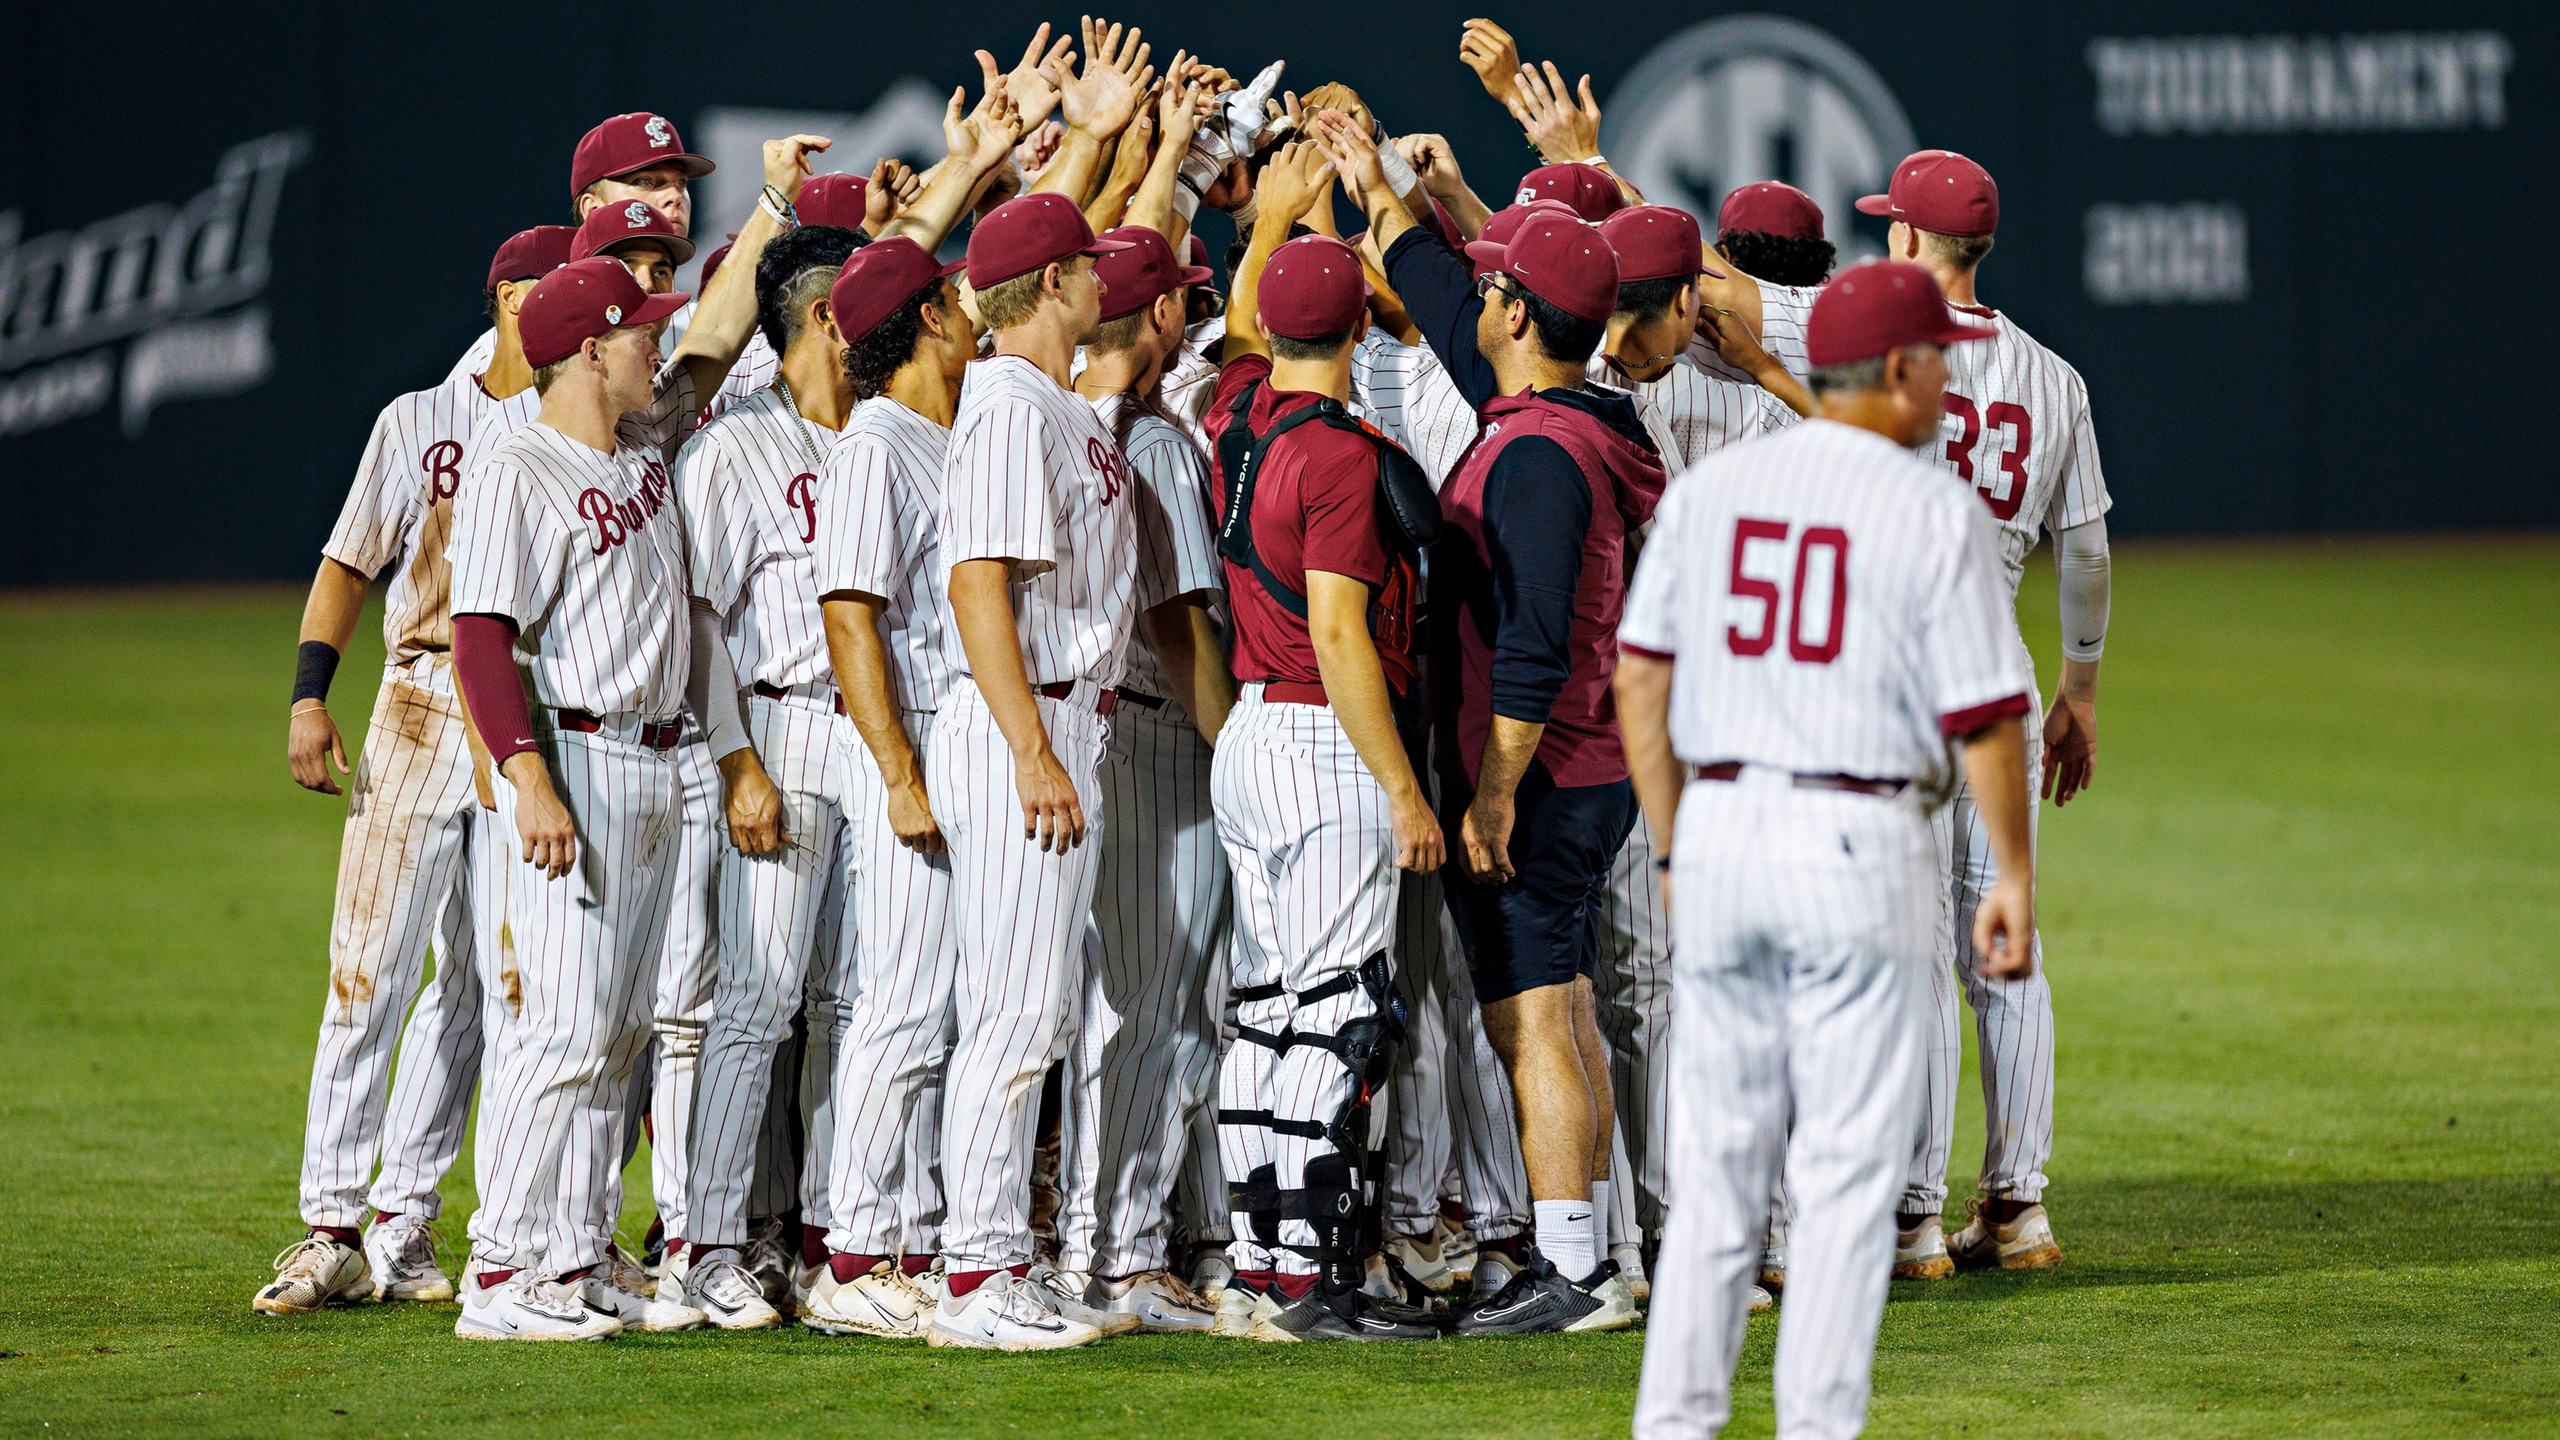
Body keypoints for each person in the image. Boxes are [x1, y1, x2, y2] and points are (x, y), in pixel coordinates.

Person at [1616, 259, 2035, 1439]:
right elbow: (1988, 714)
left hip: (1727, 837)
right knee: (1846, 1182)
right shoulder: (1927, 507)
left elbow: (1642, 675)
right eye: (1938, 361)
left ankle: (1676, 1425)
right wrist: (2009, 870)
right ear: (1898, 372)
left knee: (1714, 1177)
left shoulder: (1717, 492)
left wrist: (1673, 842)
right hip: (1859, 846)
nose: (1948, 381)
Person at [444, 133, 823, 1342]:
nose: (658, 337)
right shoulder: (519, 469)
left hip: (663, 762)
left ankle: (574, 1254)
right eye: (638, 327)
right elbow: (479, 639)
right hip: (581, 759)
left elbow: (710, 337)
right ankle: (503, 1272)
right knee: (560, 1029)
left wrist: (769, 209)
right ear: (590, 346)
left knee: (617, 1032)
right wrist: (524, 778)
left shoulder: (646, 440)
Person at [1324, 112, 1664, 1336]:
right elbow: (1461, 324)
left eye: (1493, 286)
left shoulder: (1534, 461)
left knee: (1534, 1024)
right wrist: (1377, 193)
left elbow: (1525, 648)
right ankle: (1596, 1256)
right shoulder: (1580, 415)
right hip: (1595, 758)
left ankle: (1569, 1272)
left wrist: (1497, 791)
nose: (1476, 297)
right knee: (1563, 1010)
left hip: (1546, 766)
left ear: (1519, 313)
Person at [252, 224, 573, 1318]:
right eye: (531, 282)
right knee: (369, 972)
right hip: (423, 705)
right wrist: (309, 694)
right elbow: (350, 563)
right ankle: (328, 1224)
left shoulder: (589, 426)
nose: (546, 299)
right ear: (497, 296)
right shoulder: (421, 421)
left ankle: (405, 1222)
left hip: (531, 716)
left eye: (562, 281)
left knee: (489, 985)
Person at [1202, 142, 1445, 1344]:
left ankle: (1255, 1261)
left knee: (1262, 1010)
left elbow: (1247, 316)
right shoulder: (1340, 453)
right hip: (1322, 736)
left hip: (1248, 738)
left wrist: (1274, 221)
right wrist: (1404, 788)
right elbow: (1344, 635)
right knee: (1338, 1012)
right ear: (1361, 324)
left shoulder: (1237, 413)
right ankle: (1311, 1280)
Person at [1858, 149, 2110, 1279]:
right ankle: (2019, 1206)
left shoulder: (1877, 351)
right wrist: (2080, 690)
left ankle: (1913, 1219)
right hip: (2001, 667)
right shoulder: (2055, 378)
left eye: (1888, 229)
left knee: (1913, 952)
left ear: (1910, 241)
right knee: (2006, 939)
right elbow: (2088, 553)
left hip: (1899, 675)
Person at [925, 191, 1139, 1351]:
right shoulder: (1009, 404)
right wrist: (1029, 747)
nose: (1104, 277)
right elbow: (976, 586)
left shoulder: (1049, 402)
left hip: (1062, 722)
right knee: (1011, 1013)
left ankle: (1000, 1255)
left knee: (1033, 1009)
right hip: (1030, 726)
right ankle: (976, 1276)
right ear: (1050, 286)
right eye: (1088, 264)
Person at [800, 236, 978, 1340]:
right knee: (902, 1006)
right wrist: (898, 775)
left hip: (949, 750)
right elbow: (848, 614)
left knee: (940, 1011)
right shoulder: (874, 447)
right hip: (908, 760)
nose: (969, 309)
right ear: (921, 322)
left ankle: (902, 1238)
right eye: (951, 297)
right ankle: (857, 1256)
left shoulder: (935, 434)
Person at [1056, 224, 1232, 1332]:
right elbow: (1178, 625)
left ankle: (1111, 1243)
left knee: (1118, 1006)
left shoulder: (1053, 416)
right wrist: (1238, 744)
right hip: (1163, 737)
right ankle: (1119, 1255)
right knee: (1160, 1008)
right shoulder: (1155, 444)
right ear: (1165, 317)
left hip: (1097, 729)